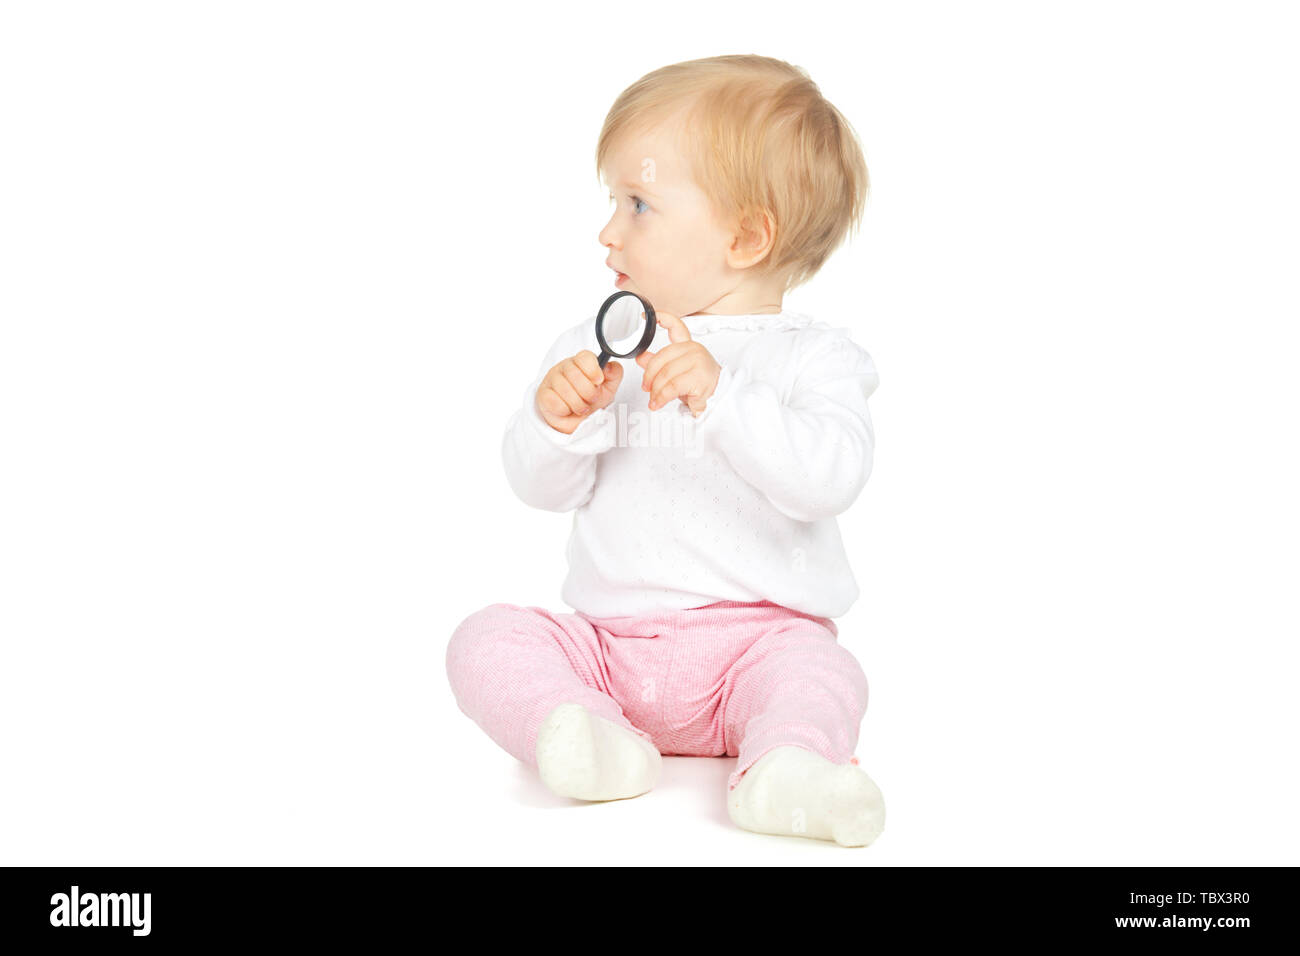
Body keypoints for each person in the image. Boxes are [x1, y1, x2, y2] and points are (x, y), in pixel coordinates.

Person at [447, 54, 885, 847]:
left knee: (825, 675)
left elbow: (829, 477)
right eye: (614, 201)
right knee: (486, 637)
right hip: (610, 648)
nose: (608, 230)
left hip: (759, 647)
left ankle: (785, 768)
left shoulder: (811, 359)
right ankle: (582, 733)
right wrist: (555, 424)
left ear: (747, 237)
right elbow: (540, 488)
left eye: (639, 203)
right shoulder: (601, 342)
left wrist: (724, 399)